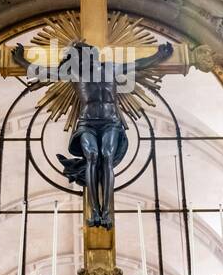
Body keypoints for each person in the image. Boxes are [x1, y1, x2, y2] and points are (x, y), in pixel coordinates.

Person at [13, 37, 172, 228]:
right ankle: (94, 211)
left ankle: (106, 212)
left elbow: (137, 64)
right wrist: (22, 61)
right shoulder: (73, 73)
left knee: (106, 156)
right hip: (87, 122)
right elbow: (44, 73)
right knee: (93, 156)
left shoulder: (111, 67)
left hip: (111, 121)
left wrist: (158, 55)